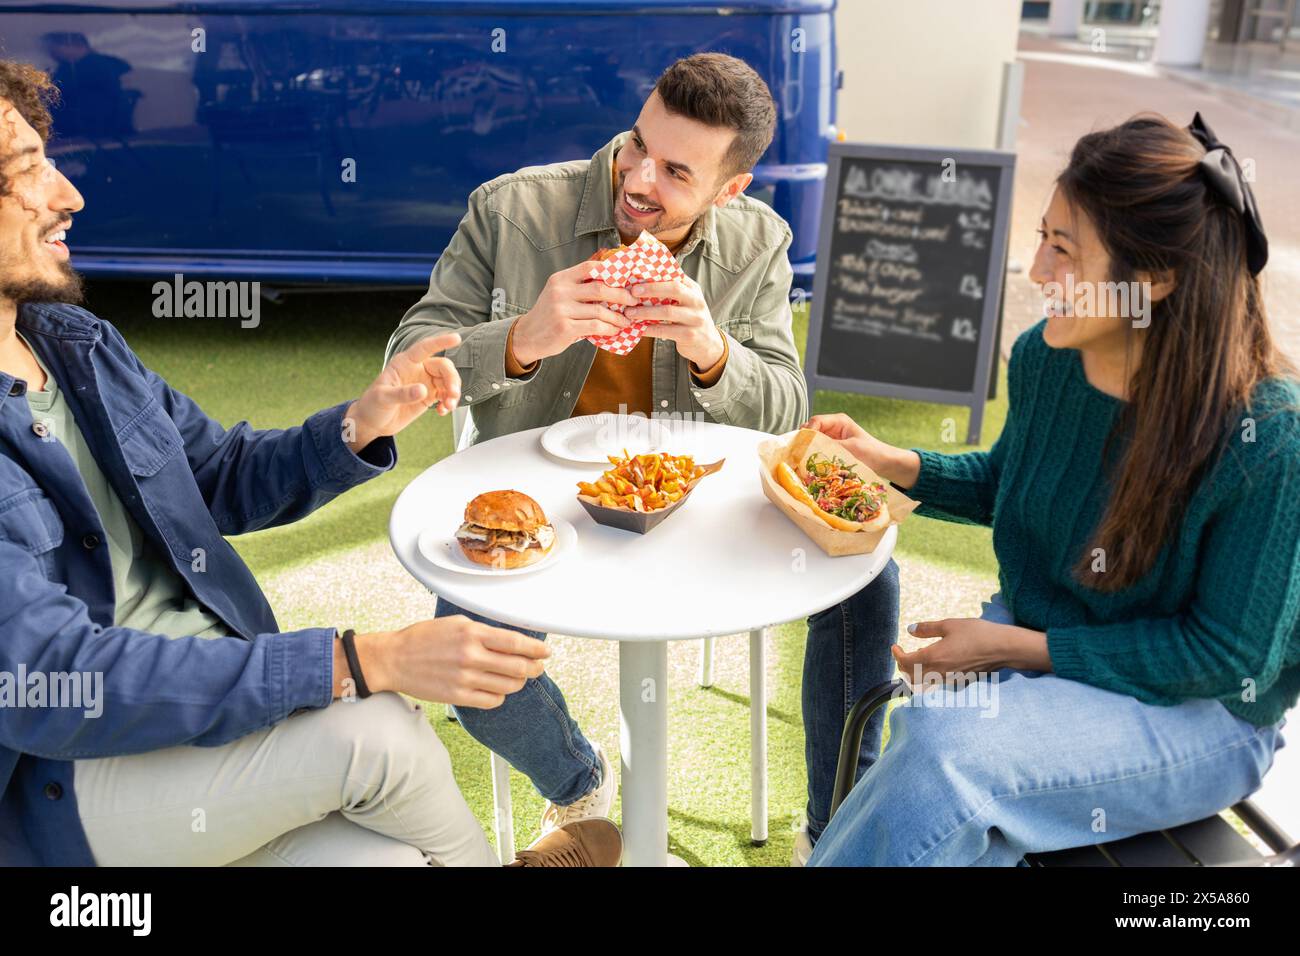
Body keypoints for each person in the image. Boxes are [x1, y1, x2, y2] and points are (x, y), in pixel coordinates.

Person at [0, 60, 622, 867]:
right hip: (78, 785)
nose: (67, 194)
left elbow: (217, 475)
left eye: (46, 159)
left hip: (213, 718)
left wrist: (365, 420)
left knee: (383, 861)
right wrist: (361, 659)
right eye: (23, 173)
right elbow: (52, 677)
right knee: (377, 728)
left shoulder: (77, 344)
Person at [384, 51, 901, 844]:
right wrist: (522, 336)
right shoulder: (513, 209)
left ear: (730, 191)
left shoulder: (758, 241)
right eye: (636, 144)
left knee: (871, 579)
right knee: (468, 660)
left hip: (698, 494)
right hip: (545, 498)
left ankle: (837, 825)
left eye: (675, 172)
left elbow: (786, 403)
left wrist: (712, 350)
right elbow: (410, 360)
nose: (637, 180)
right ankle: (578, 775)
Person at [799, 112, 1298, 866]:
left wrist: (1020, 648)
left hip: (1204, 719)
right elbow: (1015, 482)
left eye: (1063, 249)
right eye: (1042, 237)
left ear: (1153, 280)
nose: (1036, 272)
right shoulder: (1048, 358)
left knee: (943, 749)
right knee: (962, 819)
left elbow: (1228, 656)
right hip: (1048, 657)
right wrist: (892, 461)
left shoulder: (1269, 434)